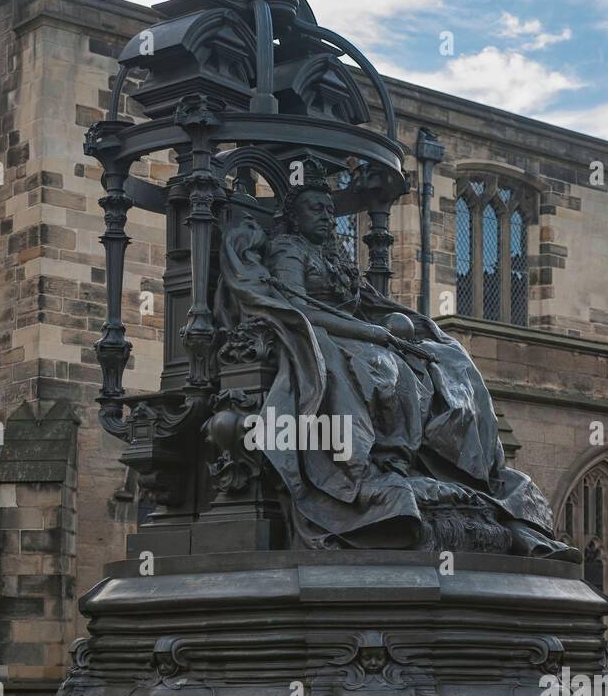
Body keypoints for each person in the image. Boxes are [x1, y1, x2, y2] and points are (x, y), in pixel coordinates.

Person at [217, 175, 578, 559]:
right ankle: (384, 460)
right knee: (385, 366)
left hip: (360, 332)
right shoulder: (289, 250)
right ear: (294, 215)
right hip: (321, 336)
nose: (325, 216)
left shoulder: (334, 255)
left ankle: (473, 468)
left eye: (328, 209)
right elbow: (300, 310)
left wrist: (397, 327)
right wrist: (372, 333)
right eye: (314, 209)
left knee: (450, 356)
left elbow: (370, 302)